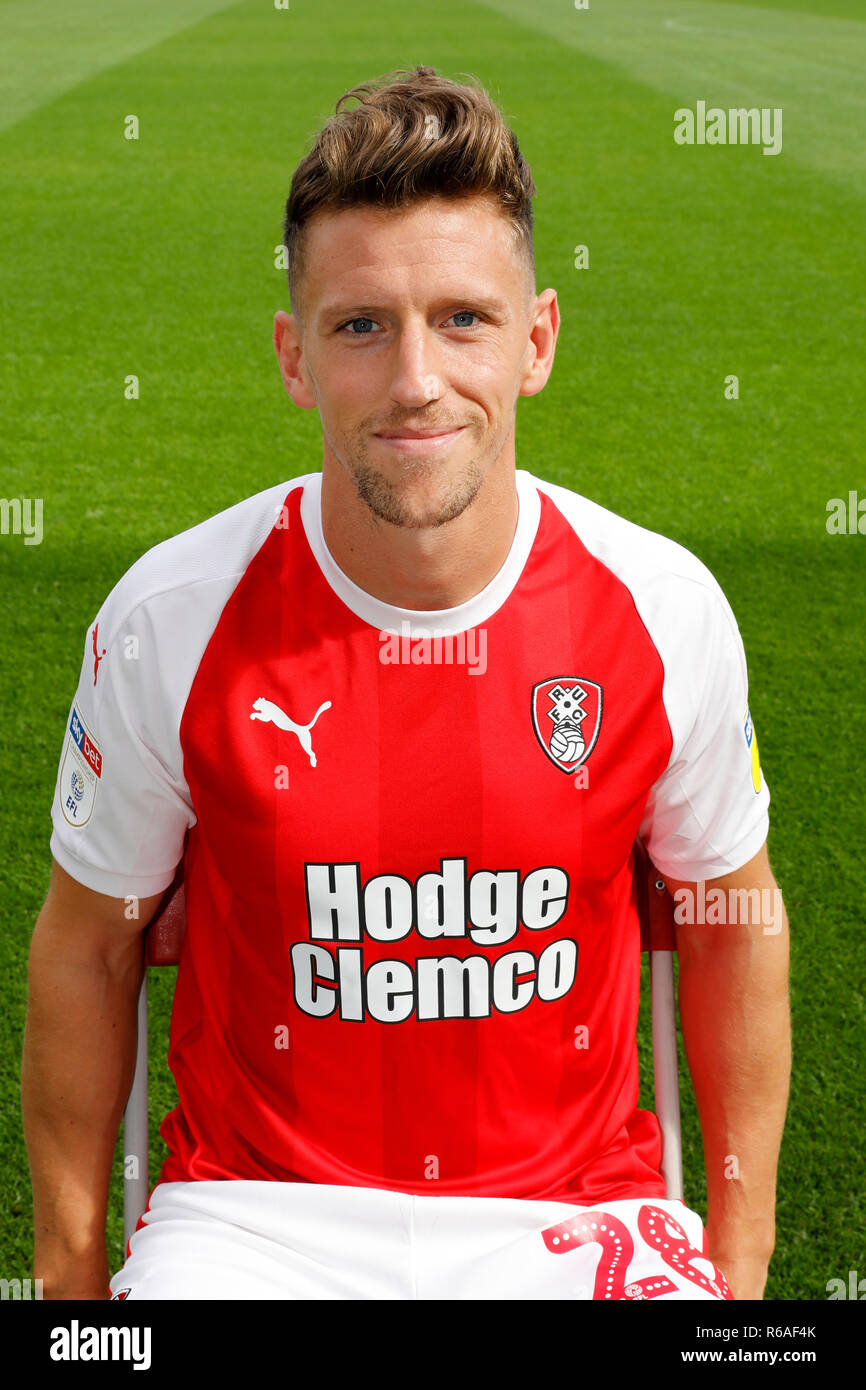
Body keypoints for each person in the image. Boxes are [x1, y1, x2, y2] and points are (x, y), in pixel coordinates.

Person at [22, 66, 790, 1302]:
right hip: (251, 1223)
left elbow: (730, 921)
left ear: (535, 340)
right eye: (361, 324)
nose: (416, 380)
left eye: (463, 320)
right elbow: (85, 947)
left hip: (568, 1212)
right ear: (293, 356)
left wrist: (739, 1274)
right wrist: (69, 1290)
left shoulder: (662, 608)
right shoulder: (172, 619)